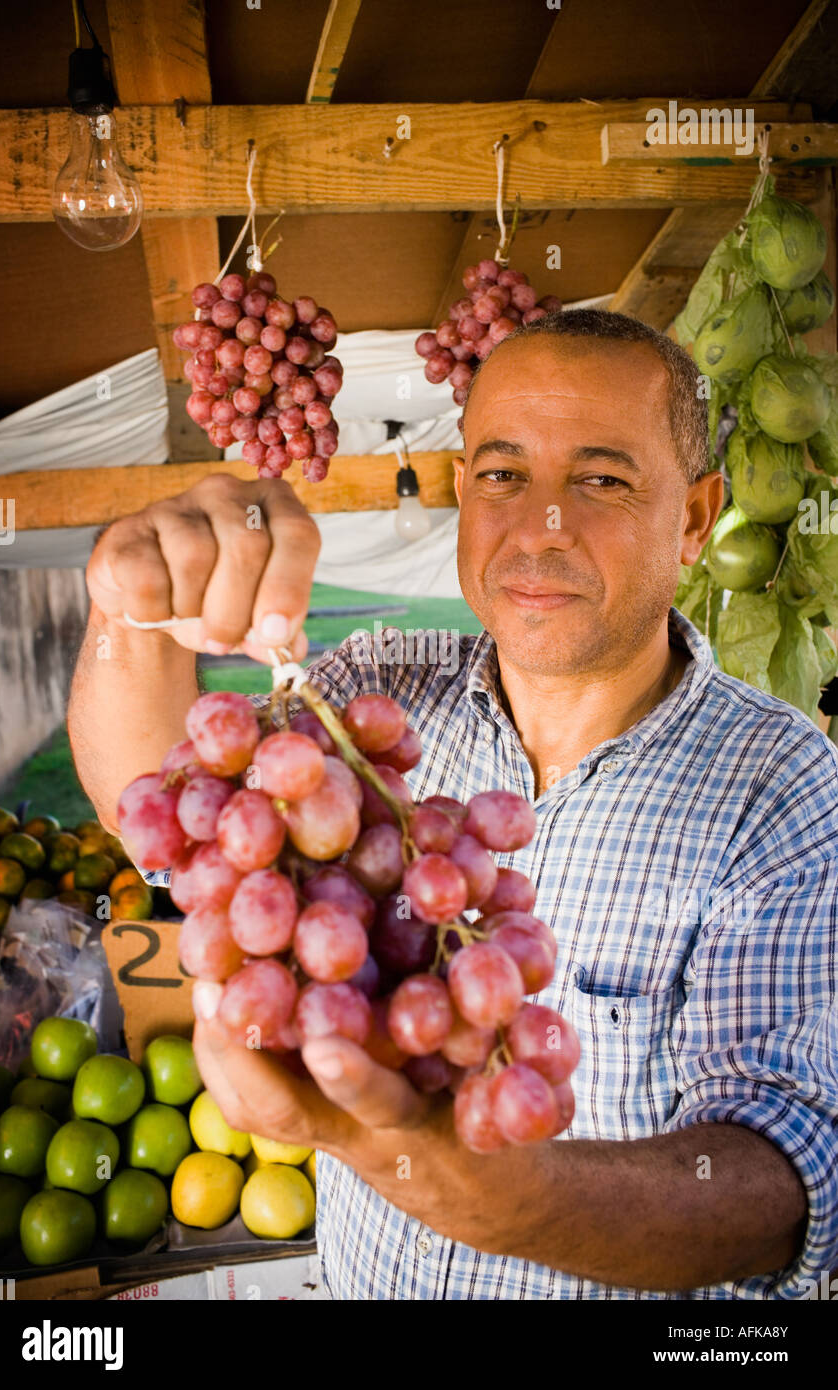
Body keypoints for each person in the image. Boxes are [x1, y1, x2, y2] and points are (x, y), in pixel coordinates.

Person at [68, 310, 838, 1300]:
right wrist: (127, 605)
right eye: (500, 475)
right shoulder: (370, 694)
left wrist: (503, 1198)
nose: (538, 529)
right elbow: (164, 824)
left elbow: (783, 1177)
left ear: (692, 519)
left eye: (600, 480)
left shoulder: (777, 786)